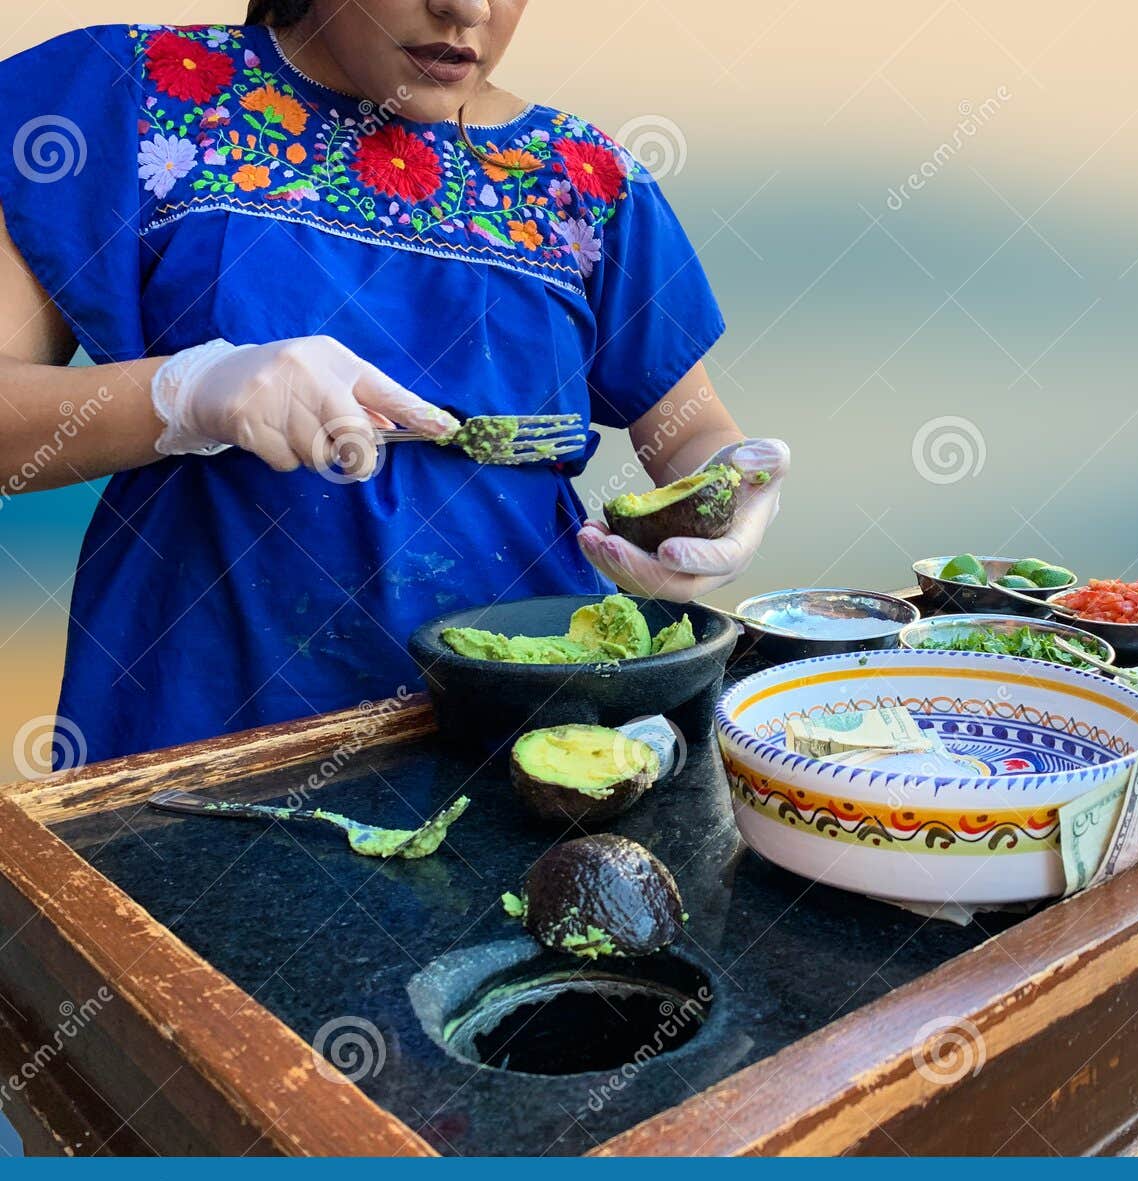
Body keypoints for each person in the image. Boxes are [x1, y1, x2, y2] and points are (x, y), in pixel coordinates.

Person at [0, 0, 786, 764]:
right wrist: (187, 393)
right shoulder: (136, 96)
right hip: (198, 719)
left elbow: (690, 432)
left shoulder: (584, 176)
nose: (466, 10)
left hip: (523, 722)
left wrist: (730, 491)